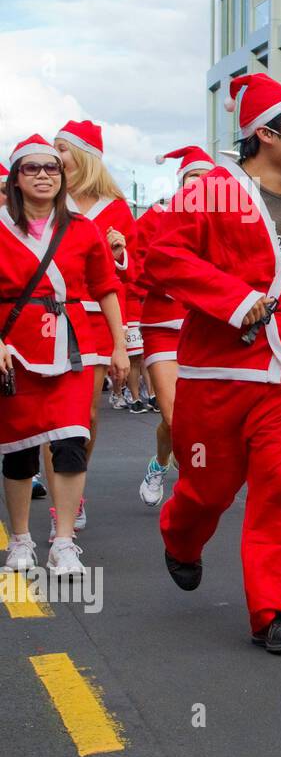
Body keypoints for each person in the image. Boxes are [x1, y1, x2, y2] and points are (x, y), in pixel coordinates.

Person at [145, 73, 281, 653]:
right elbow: (164, 257)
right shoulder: (213, 188)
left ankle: (275, 610)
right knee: (208, 487)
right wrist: (233, 300)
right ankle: (181, 536)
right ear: (266, 133)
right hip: (217, 375)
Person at [1, 136, 128, 577]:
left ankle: (63, 541)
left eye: (51, 168)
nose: (42, 175)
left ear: (62, 176)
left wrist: (119, 345)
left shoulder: (82, 228)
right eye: (31, 168)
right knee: (19, 449)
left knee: (71, 441)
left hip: (72, 348)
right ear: (16, 178)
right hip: (15, 349)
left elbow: (106, 287)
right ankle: (20, 540)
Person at [52, 120, 134, 536]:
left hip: (96, 321)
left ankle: (74, 490)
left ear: (82, 156)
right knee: (55, 416)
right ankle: (59, 507)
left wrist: (119, 252)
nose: (56, 157)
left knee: (86, 416)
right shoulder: (47, 198)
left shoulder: (115, 207)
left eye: (63, 149)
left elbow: (129, 274)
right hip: (50, 316)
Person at [136, 146, 216, 507]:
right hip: (162, 327)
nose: (198, 185)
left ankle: (162, 463)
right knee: (173, 415)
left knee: (195, 418)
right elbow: (135, 271)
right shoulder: (155, 218)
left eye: (205, 179)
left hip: (204, 329)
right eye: (192, 179)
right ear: (180, 183)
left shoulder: (225, 223)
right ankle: (185, 483)